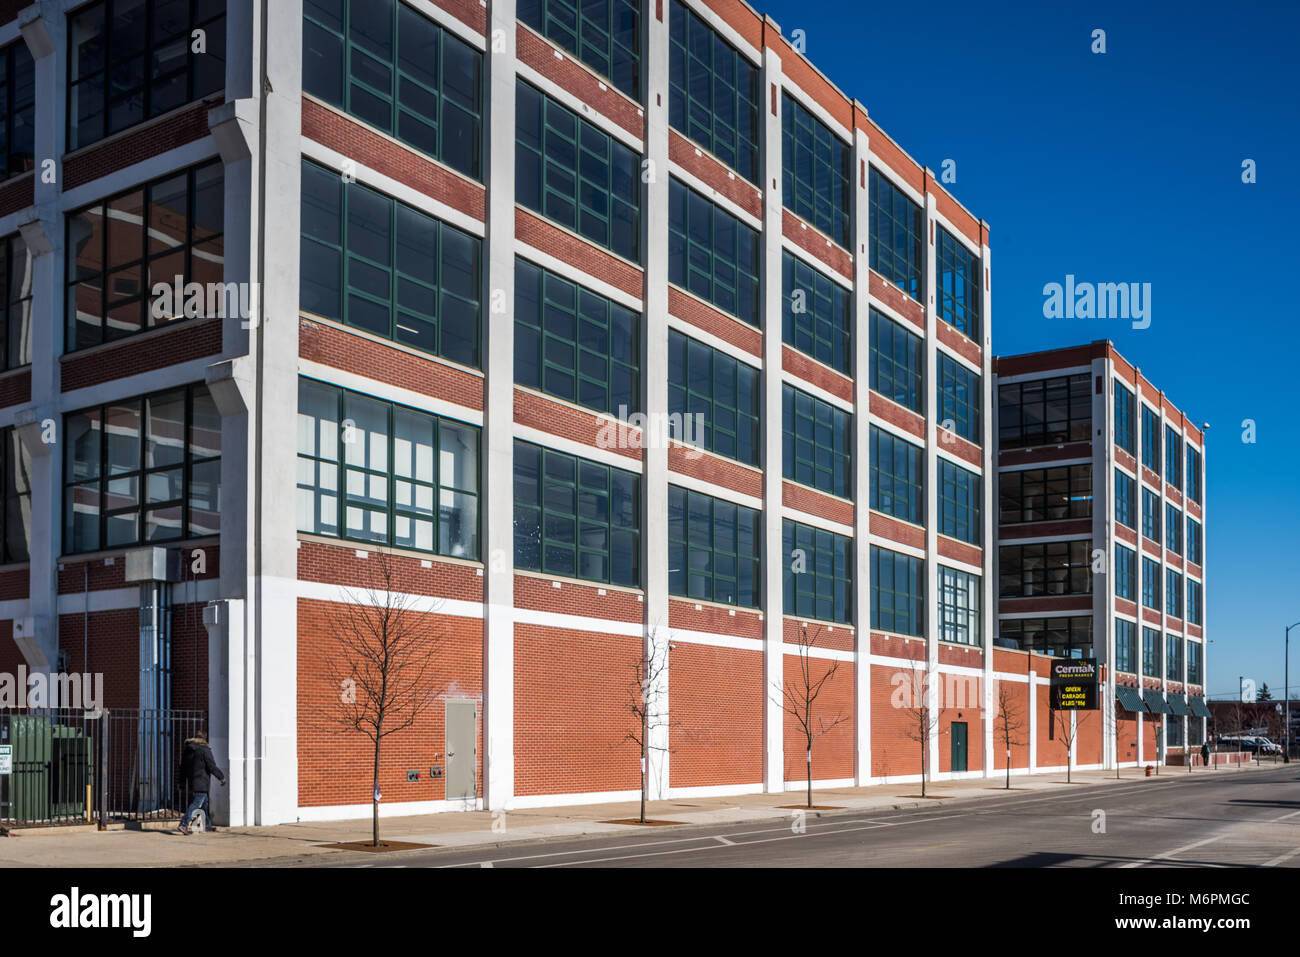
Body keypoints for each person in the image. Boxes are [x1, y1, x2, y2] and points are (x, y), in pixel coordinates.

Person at [178, 732, 225, 835]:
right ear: (204, 739)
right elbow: (211, 766)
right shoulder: (204, 750)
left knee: (204, 803)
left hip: (192, 781)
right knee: (196, 803)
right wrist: (221, 777)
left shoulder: (188, 750)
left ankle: (207, 825)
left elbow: (183, 768)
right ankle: (184, 824)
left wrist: (181, 782)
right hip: (202, 782)